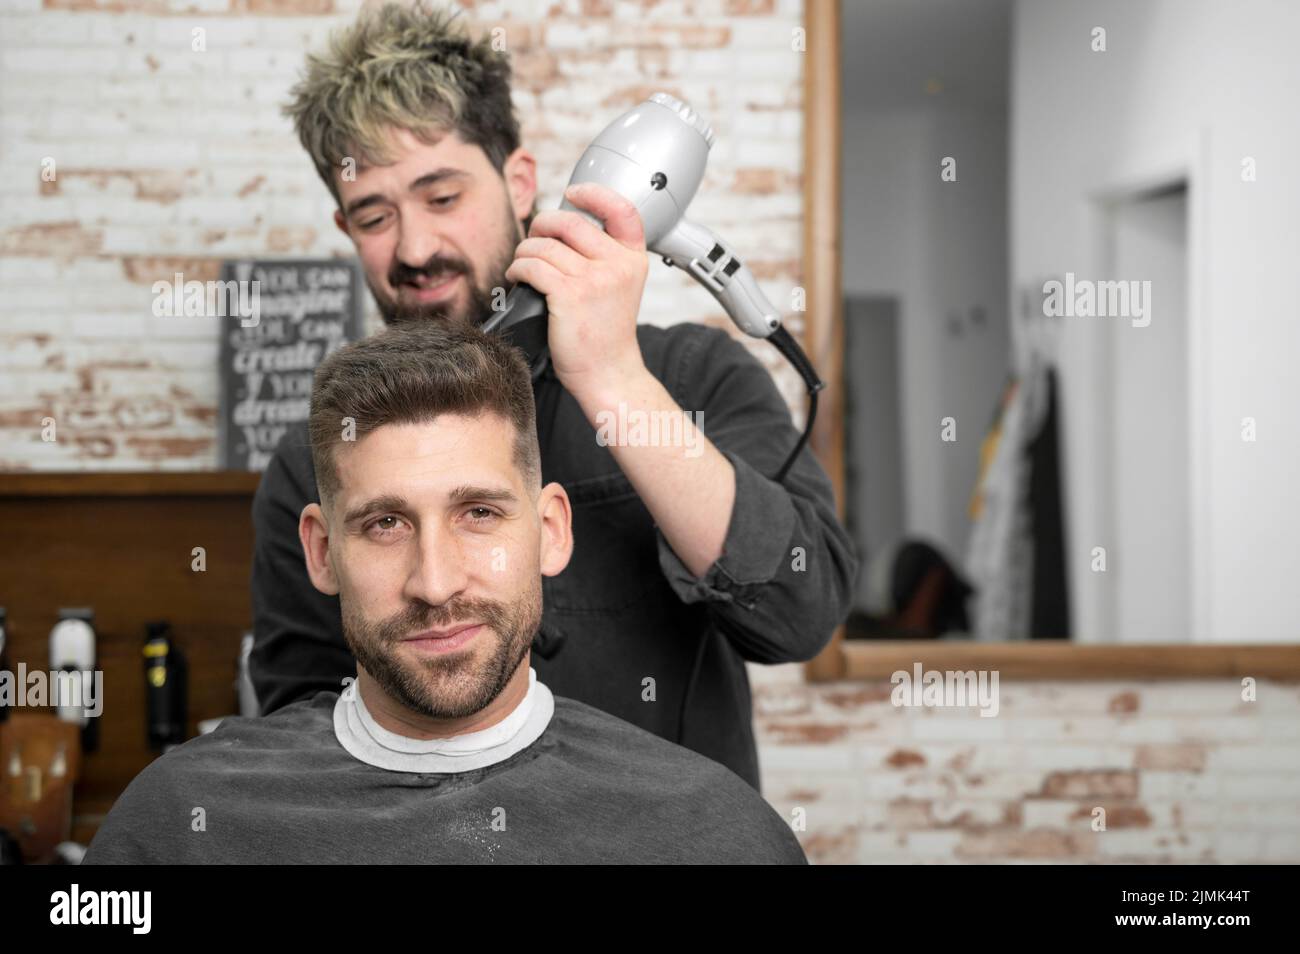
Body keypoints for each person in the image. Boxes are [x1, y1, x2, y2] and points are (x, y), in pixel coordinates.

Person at [251, 0, 858, 791]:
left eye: (442, 198)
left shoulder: (691, 379)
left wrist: (612, 380)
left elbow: (800, 612)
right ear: (344, 224)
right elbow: (298, 730)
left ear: (521, 182)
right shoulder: (316, 460)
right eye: (375, 215)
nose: (414, 248)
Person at [84, 323, 806, 864]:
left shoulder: (712, 833)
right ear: (322, 550)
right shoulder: (178, 822)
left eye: (478, 514)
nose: (435, 583)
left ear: (552, 530)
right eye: (385, 523)